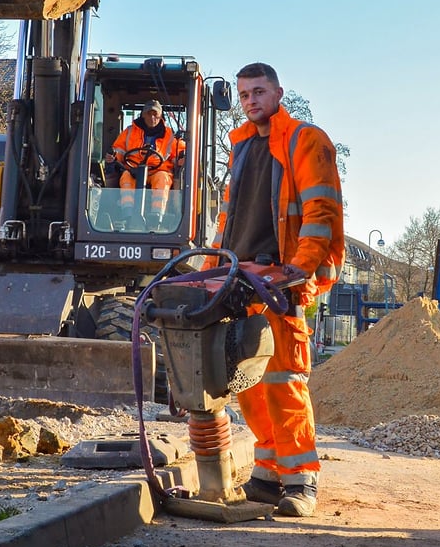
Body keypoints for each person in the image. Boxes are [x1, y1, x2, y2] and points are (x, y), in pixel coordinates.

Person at [204, 62, 344, 518]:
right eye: (244, 95)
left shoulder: (306, 139)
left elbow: (320, 209)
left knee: (283, 379)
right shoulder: (241, 145)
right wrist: (208, 271)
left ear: (278, 92)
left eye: (258, 92)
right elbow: (229, 218)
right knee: (247, 380)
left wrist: (299, 269)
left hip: (277, 279)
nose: (250, 101)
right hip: (238, 276)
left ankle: (301, 481)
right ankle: (268, 472)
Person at [107, 100, 181, 227]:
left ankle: (157, 217)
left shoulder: (169, 135)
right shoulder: (130, 131)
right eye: (149, 114)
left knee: (162, 178)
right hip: (134, 170)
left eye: (155, 114)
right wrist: (113, 156)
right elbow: (118, 149)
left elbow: (179, 149)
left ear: (160, 116)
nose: (152, 117)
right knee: (125, 176)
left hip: (158, 170)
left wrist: (181, 158)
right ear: (143, 115)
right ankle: (128, 215)